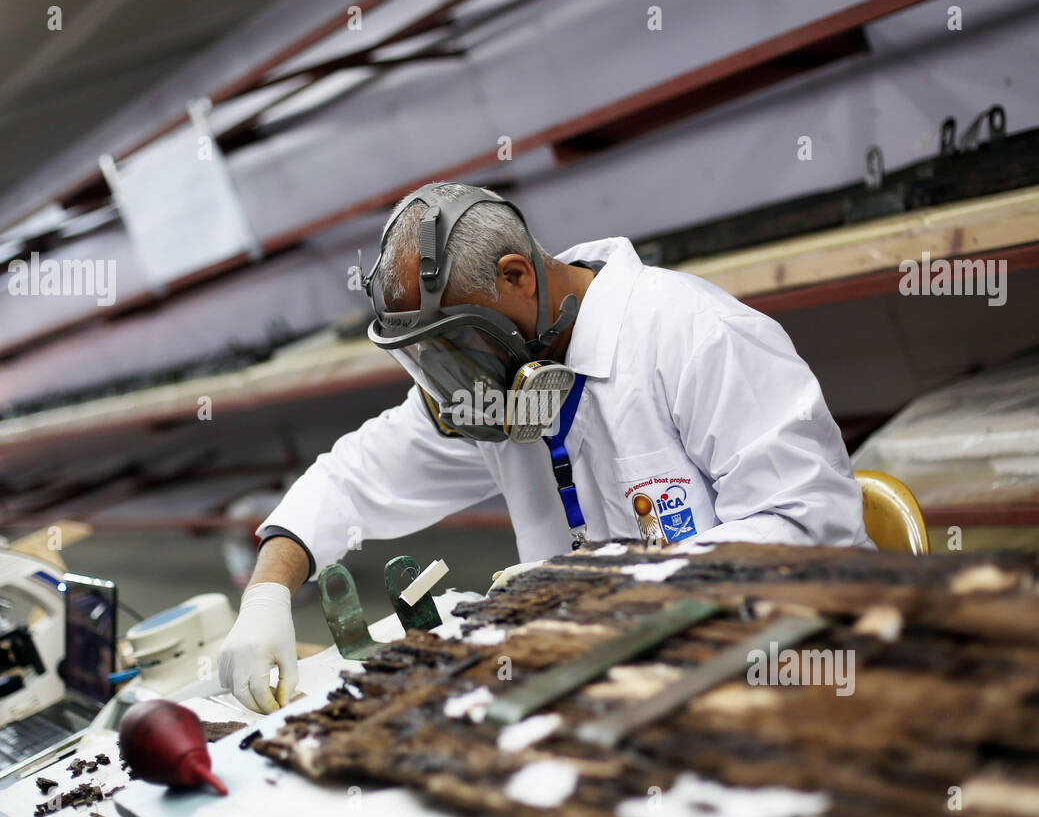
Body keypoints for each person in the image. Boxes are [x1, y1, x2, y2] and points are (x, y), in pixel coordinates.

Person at [218, 182, 870, 713]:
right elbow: (351, 482)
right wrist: (269, 592)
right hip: (621, 690)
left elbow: (812, 528)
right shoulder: (489, 391)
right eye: (424, 357)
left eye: (455, 346)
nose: (452, 380)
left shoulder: (695, 337)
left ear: (517, 276)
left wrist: (602, 582)